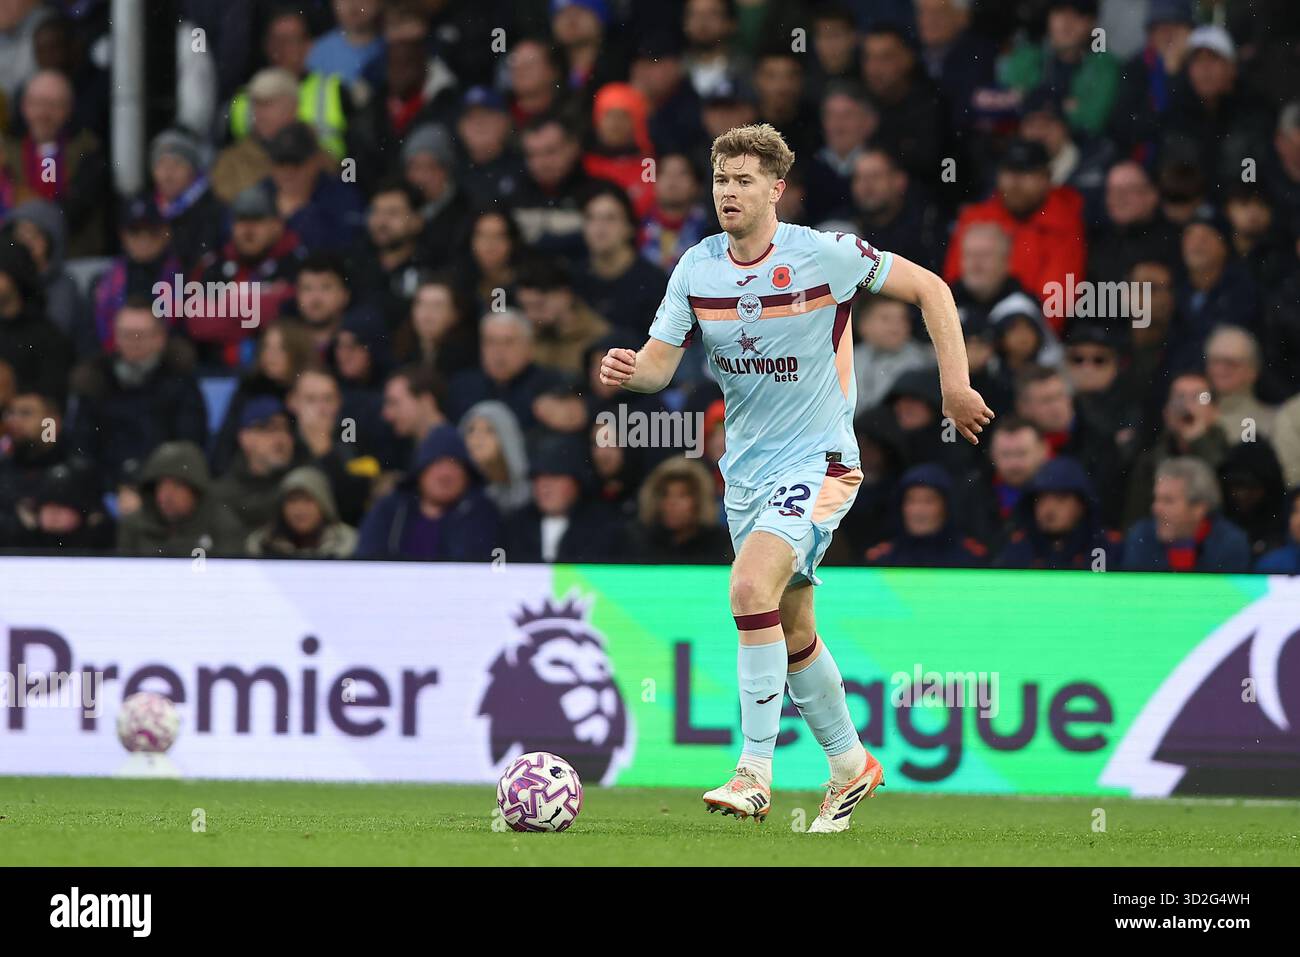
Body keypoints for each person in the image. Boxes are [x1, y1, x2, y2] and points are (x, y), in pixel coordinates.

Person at [597, 123, 991, 831]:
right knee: (789, 619)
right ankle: (850, 765)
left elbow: (931, 287)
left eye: (745, 180)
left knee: (749, 585)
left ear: (776, 189)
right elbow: (660, 364)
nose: (729, 192)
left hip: (820, 463)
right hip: (744, 475)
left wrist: (954, 386)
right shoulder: (696, 268)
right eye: (722, 180)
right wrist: (631, 372)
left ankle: (754, 770)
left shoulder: (824, 255)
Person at [354, 424, 500, 561]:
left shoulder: (481, 514)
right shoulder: (390, 511)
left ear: (467, 475)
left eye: (455, 465)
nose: (445, 473)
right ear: (420, 470)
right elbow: (367, 562)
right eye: (437, 464)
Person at [1122, 456, 1251, 573]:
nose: (1155, 508)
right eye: (1156, 499)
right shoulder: (1142, 537)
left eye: (1168, 501)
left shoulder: (1229, 544)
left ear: (1199, 508)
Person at [116, 441, 245, 557]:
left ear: (195, 489)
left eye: (176, 485)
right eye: (160, 485)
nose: (165, 496)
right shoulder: (134, 526)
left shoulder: (223, 527)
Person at [627, 455, 734, 563]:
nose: (672, 503)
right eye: (666, 494)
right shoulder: (639, 542)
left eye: (682, 495)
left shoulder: (720, 545)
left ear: (699, 500)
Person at [246, 465, 358, 558]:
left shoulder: (348, 542)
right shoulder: (261, 544)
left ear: (324, 504)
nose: (299, 510)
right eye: (292, 501)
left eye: (308, 500)